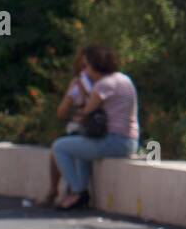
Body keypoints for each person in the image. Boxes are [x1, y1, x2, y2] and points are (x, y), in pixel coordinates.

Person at [51, 45, 139, 211]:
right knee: (81, 150)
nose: (85, 70)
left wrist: (81, 89)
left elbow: (86, 111)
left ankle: (78, 192)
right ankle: (79, 192)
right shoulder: (124, 79)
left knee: (59, 147)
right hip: (129, 140)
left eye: (86, 65)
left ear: (94, 65)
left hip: (113, 141)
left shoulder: (103, 85)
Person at [39, 52, 93, 207]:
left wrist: (86, 92)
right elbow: (61, 112)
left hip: (90, 129)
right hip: (75, 128)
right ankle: (53, 189)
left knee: (66, 148)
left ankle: (76, 191)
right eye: (82, 66)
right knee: (56, 149)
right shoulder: (76, 84)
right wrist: (72, 94)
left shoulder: (102, 85)